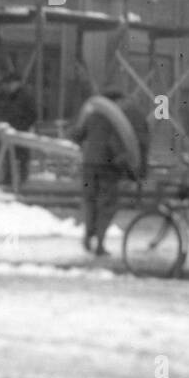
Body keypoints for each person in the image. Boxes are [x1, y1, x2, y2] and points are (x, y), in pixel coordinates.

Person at [72, 86, 141, 257]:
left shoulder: (92, 115)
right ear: (116, 102)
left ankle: (88, 236)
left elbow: (77, 135)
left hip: (88, 166)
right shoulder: (117, 120)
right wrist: (129, 170)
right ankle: (100, 245)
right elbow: (115, 146)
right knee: (106, 206)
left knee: (90, 202)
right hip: (107, 168)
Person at [0, 72, 36, 185]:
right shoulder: (6, 95)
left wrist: (24, 125)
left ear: (17, 83)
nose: (10, 86)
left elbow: (33, 114)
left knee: (22, 156)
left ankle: (22, 180)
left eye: (12, 83)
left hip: (21, 130)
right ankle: (8, 178)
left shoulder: (26, 96)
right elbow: (1, 111)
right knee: (8, 155)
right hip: (9, 129)